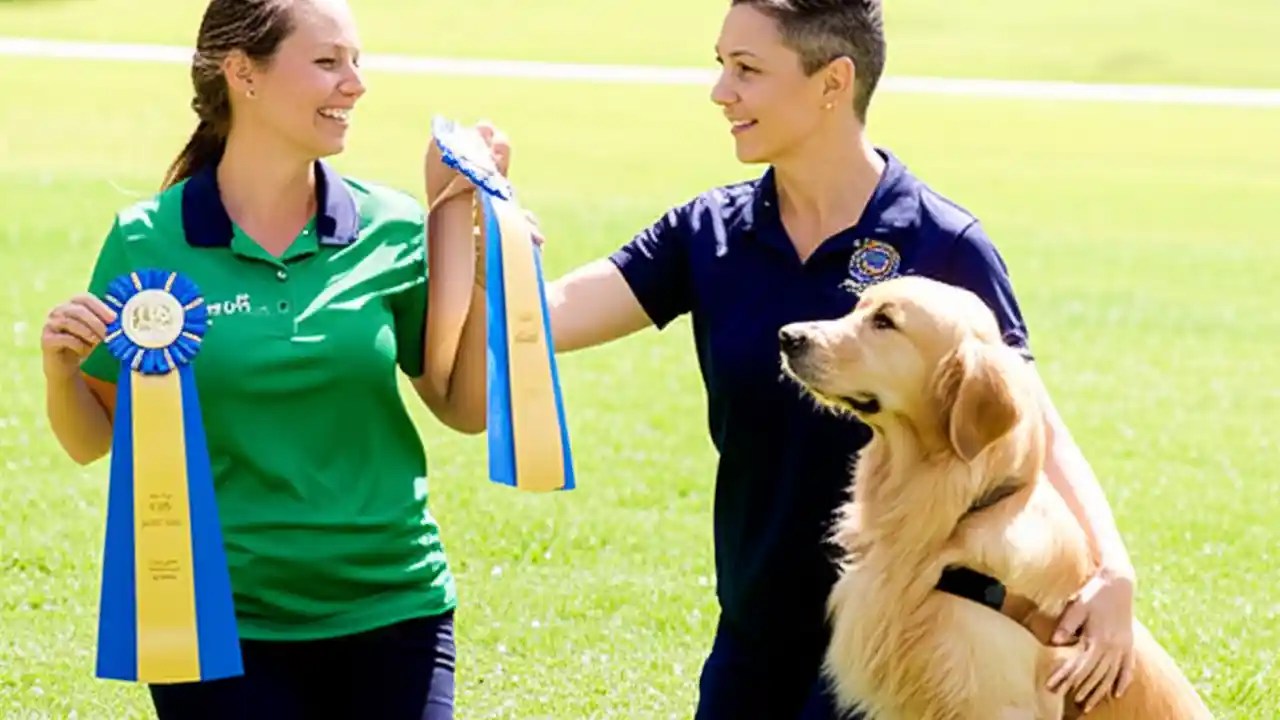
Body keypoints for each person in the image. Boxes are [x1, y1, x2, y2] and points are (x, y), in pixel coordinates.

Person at [426, 0, 1141, 718]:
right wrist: (494, 236)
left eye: (747, 70)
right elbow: (541, 321)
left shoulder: (942, 244)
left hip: (905, 635)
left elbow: (1031, 425)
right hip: (753, 635)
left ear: (833, 82)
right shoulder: (707, 232)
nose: (720, 93)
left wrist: (1113, 571)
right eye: (721, 67)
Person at [39, 0, 486, 718]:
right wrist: (62, 372)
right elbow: (93, 440)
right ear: (242, 74)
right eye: (328, 62)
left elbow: (462, 409)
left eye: (357, 62)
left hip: (395, 606)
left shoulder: (394, 229)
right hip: (216, 622)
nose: (356, 85)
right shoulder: (146, 241)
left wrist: (488, 272)